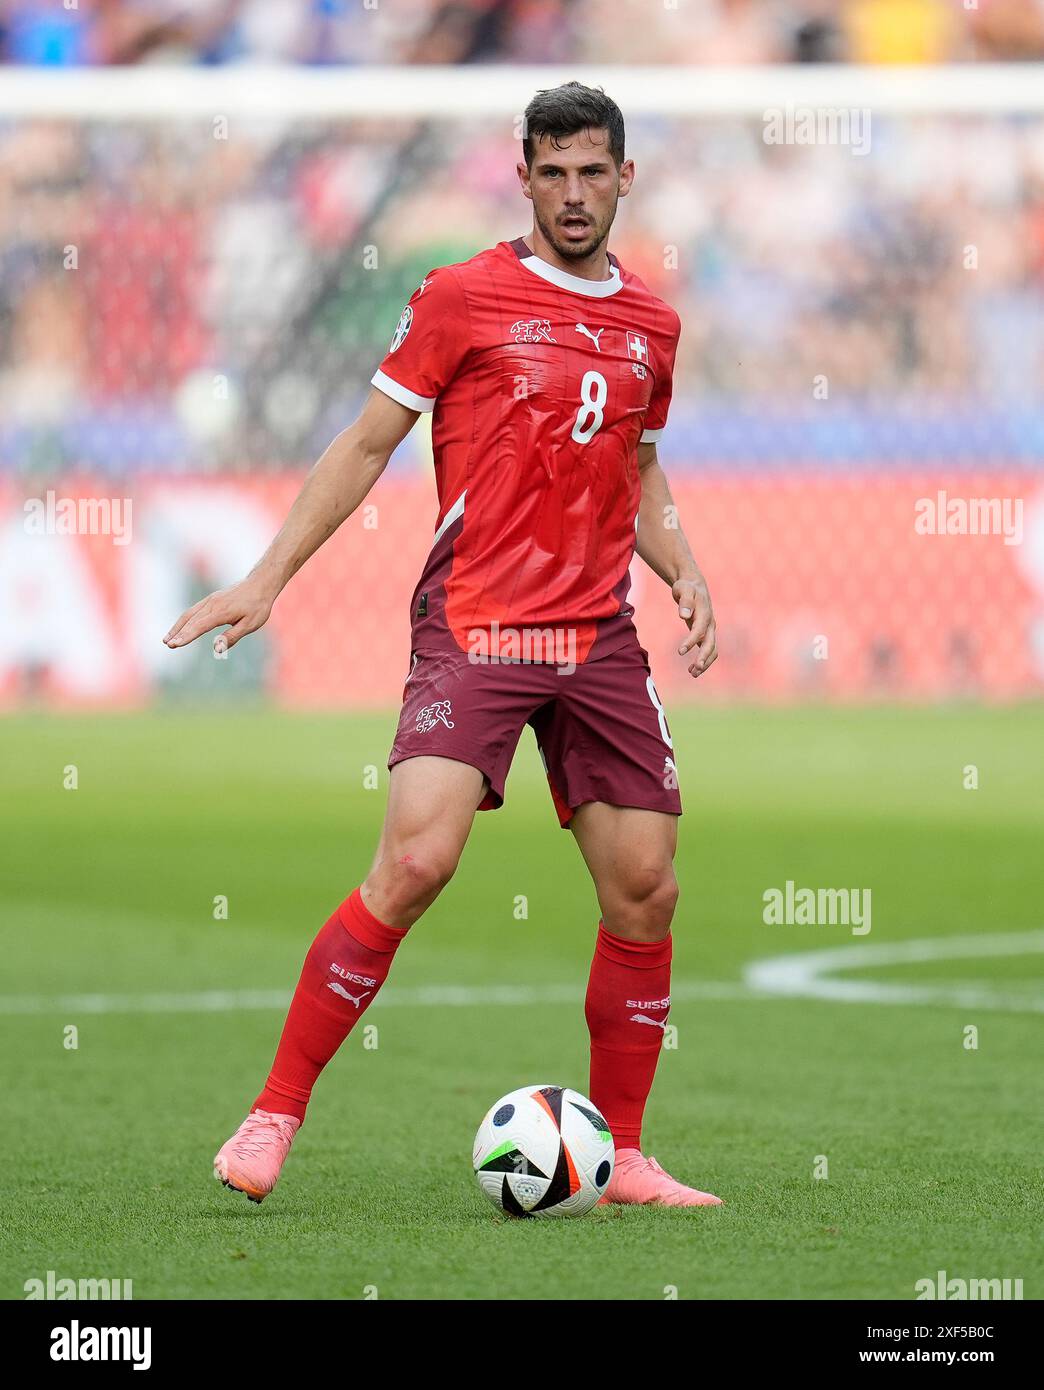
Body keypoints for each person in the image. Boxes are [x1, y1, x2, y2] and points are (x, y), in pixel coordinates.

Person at [164, 81, 721, 1209]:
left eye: (592, 172)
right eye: (552, 172)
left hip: (597, 633)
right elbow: (369, 443)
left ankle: (627, 1156)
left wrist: (686, 569)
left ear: (626, 177)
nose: (573, 193)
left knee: (647, 889)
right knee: (417, 860)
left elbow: (639, 466)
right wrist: (268, 578)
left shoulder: (652, 324)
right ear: (522, 177)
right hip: (478, 620)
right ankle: (273, 1113)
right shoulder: (462, 297)